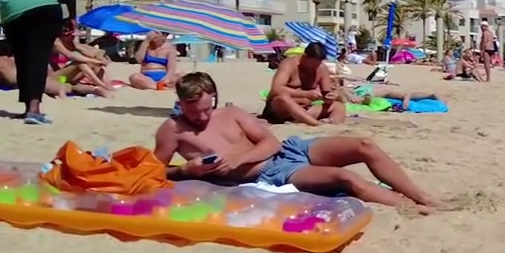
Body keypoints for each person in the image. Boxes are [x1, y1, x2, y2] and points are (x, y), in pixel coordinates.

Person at [153, 72, 435, 209]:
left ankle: (422, 196)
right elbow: (153, 170)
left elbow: (271, 143)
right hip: (273, 172)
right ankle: (412, 209)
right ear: (181, 104)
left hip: (288, 150)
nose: (201, 117)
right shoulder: (173, 129)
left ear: (213, 98)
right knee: (344, 178)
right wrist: (184, 171)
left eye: (206, 109)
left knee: (364, 145)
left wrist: (239, 158)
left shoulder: (231, 113)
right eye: (193, 111)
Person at [265, 41, 347, 125]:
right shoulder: (289, 64)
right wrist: (306, 94)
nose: (313, 68)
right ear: (304, 57)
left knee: (338, 106)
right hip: (281, 111)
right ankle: (316, 124)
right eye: (311, 64)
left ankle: (333, 124)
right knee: (282, 97)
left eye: (316, 65)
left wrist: (332, 96)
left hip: (305, 110)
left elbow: (327, 95)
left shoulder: (322, 69)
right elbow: (276, 88)